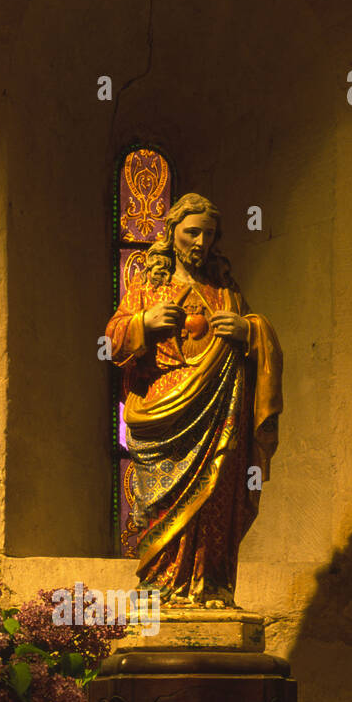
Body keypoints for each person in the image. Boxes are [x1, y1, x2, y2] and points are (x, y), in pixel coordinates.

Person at [106, 192, 283, 607]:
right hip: (162, 415)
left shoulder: (225, 290)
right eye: (191, 232)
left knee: (216, 499)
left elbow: (259, 341)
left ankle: (211, 587)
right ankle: (160, 591)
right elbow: (108, 343)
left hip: (220, 412)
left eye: (208, 234)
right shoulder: (149, 287)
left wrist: (250, 331)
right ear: (172, 232)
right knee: (163, 505)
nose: (200, 242)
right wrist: (142, 323)